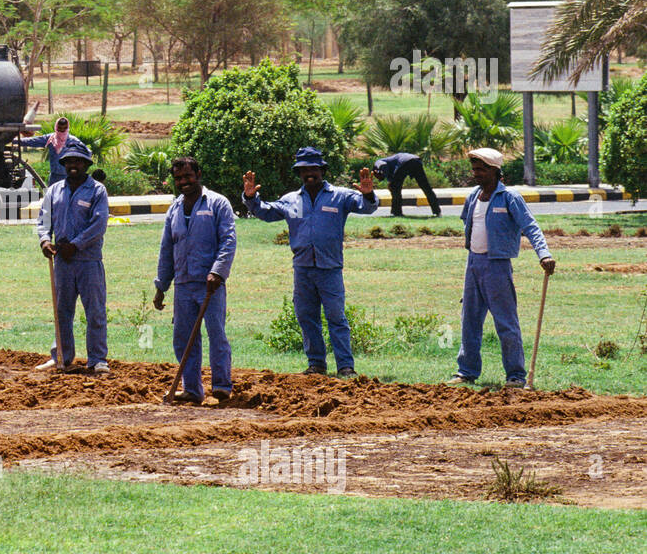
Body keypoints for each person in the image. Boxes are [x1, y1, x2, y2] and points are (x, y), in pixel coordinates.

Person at [243, 147, 378, 377]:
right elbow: (265, 212)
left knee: (336, 318)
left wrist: (367, 194)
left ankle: (346, 367)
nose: (309, 174)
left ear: (322, 170)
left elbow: (367, 207)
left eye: (313, 169)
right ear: (299, 173)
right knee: (307, 317)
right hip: (303, 269)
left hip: (330, 268)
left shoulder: (340, 196)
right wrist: (250, 197)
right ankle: (316, 364)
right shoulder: (291, 200)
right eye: (304, 170)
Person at [449, 148, 556, 388]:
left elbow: (530, 226)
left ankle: (516, 376)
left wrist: (544, 254)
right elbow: (469, 223)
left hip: (497, 265)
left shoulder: (510, 197)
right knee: (470, 320)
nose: (476, 174)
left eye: (481, 170)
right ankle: (466, 371)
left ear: (495, 171)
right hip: (473, 264)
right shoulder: (473, 197)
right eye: (474, 169)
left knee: (505, 322)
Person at [153, 157, 237, 403]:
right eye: (178, 178)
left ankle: (222, 386)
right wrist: (161, 287)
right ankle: (192, 389)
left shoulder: (218, 203)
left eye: (188, 176)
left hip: (210, 284)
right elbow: (166, 249)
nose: (184, 182)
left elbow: (228, 241)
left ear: (199, 174)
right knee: (184, 338)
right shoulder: (174, 209)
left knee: (216, 334)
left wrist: (218, 272)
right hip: (183, 284)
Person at [36, 144, 111, 373]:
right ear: (64, 165)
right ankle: (61, 356)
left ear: (86, 164)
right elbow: (43, 220)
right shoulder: (54, 190)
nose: (73, 165)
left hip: (88, 260)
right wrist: (44, 240)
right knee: (62, 311)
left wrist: (76, 245)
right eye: (68, 161)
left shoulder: (97, 190)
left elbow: (99, 224)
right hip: (62, 262)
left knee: (95, 311)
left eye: (78, 161)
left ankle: (97, 359)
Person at [18, 116, 90, 184]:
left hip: (68, 177)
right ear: (56, 127)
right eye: (59, 128)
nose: (62, 130)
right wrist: (15, 141)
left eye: (64, 128)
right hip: (54, 176)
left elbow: (87, 152)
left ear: (67, 128)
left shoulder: (73, 141)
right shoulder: (50, 139)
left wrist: (80, 169)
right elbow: (33, 141)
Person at [373, 152, 442, 217]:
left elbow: (383, 166)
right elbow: (391, 174)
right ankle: (437, 211)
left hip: (405, 162)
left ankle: (396, 212)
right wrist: (391, 182)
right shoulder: (390, 163)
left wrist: (390, 182)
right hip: (416, 160)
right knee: (426, 187)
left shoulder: (378, 162)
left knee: (395, 188)